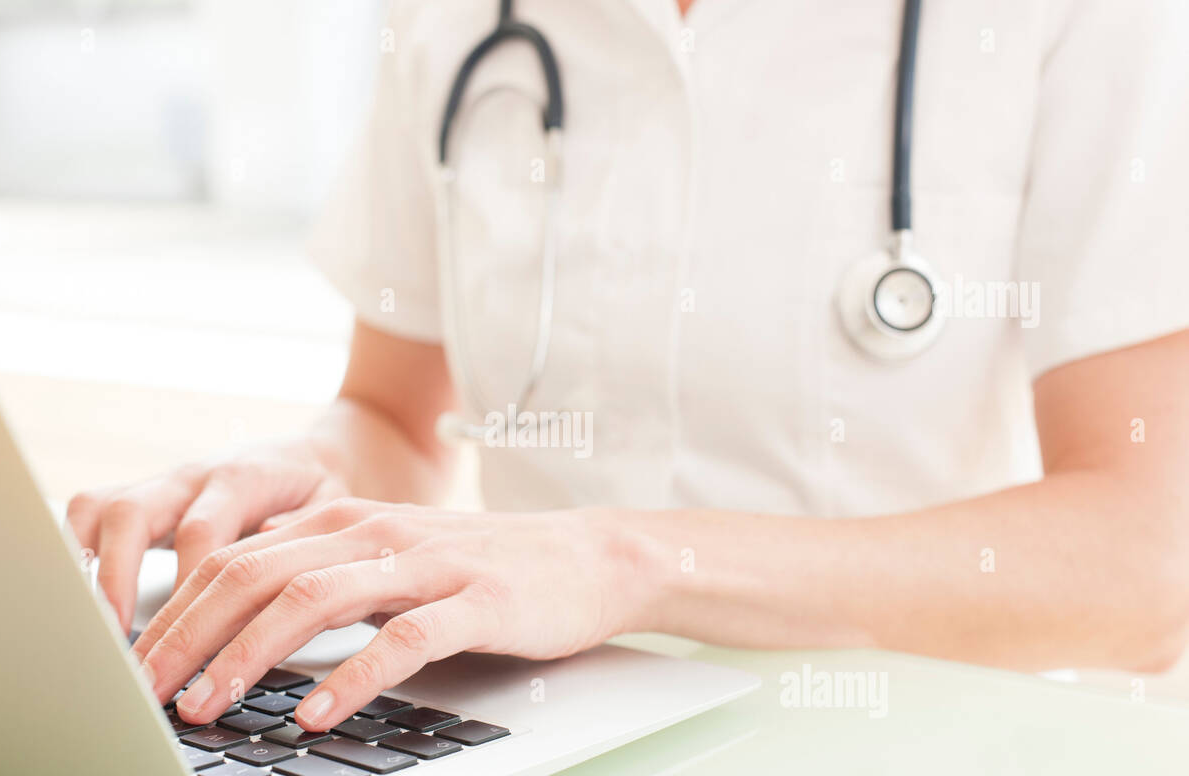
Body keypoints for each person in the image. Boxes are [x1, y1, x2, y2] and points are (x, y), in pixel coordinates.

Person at [68, 0, 1189, 733]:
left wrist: (630, 559)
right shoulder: (454, 19)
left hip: (907, 761)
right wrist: (297, 477)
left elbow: (1146, 565)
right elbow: (395, 419)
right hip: (512, 744)